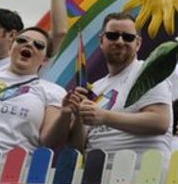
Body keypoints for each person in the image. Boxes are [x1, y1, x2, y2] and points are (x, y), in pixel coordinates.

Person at [69, 12, 172, 165]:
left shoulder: (148, 72)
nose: (120, 41)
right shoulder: (95, 87)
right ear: (101, 40)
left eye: (128, 37)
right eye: (112, 35)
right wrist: (78, 115)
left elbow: (160, 122)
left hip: (140, 178)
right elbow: (78, 145)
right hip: (95, 179)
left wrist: (104, 116)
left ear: (138, 43)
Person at [0, 27, 72, 155]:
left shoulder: (53, 91)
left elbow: (49, 141)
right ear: (11, 48)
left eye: (38, 45)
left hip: (15, 169)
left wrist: (65, 114)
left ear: (45, 60)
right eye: (22, 40)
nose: (28, 44)